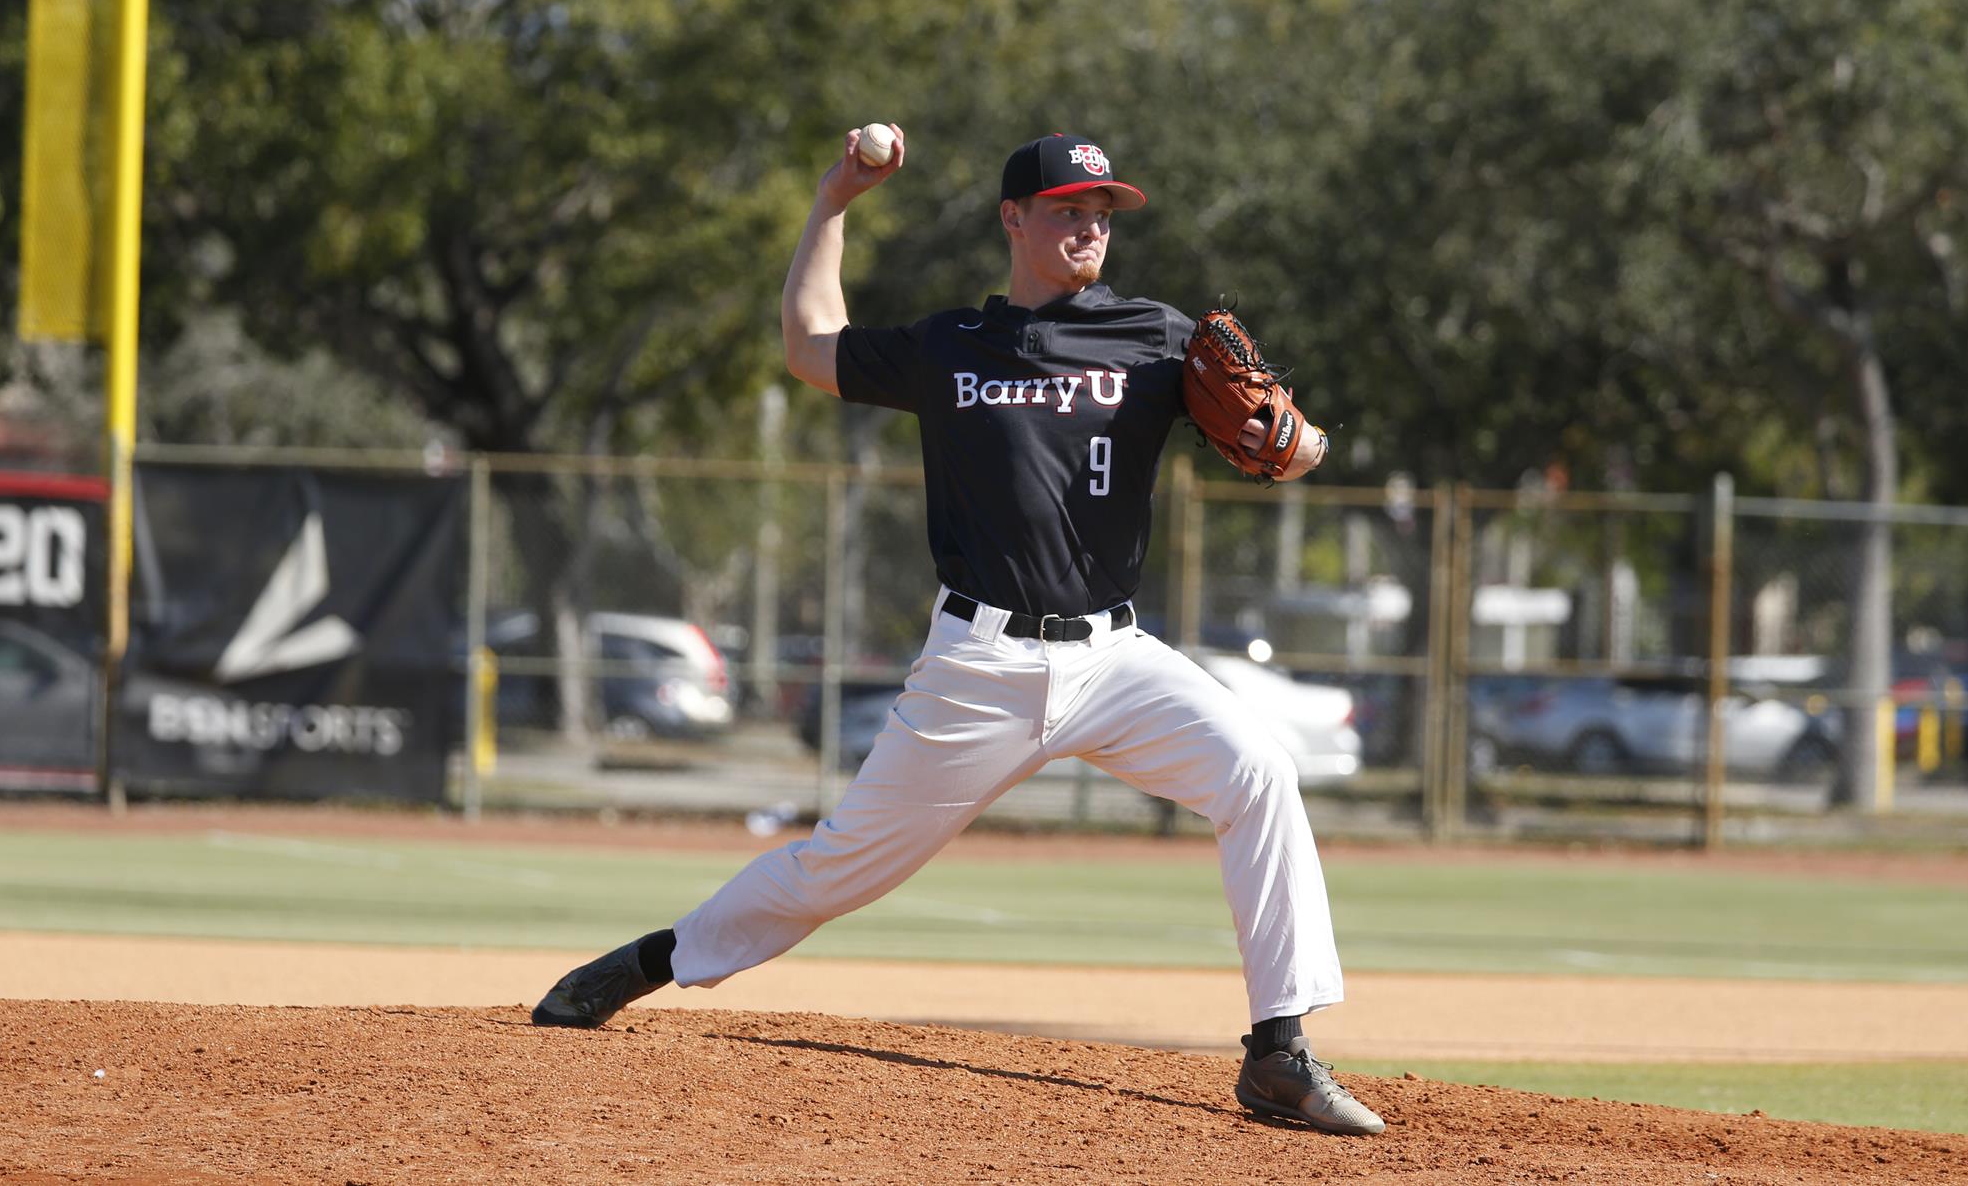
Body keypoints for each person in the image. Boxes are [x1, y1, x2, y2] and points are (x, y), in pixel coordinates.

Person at [530, 129, 1384, 1137]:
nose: (1088, 228)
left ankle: (1278, 1052)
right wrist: (833, 200)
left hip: (1113, 657)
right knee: (835, 869)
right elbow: (808, 345)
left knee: (1257, 772)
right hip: (980, 663)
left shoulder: (1153, 339)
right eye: (1066, 208)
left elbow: (1289, 439)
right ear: (1012, 219)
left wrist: (1295, 443)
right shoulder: (950, 348)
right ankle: (647, 962)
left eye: (1102, 211)